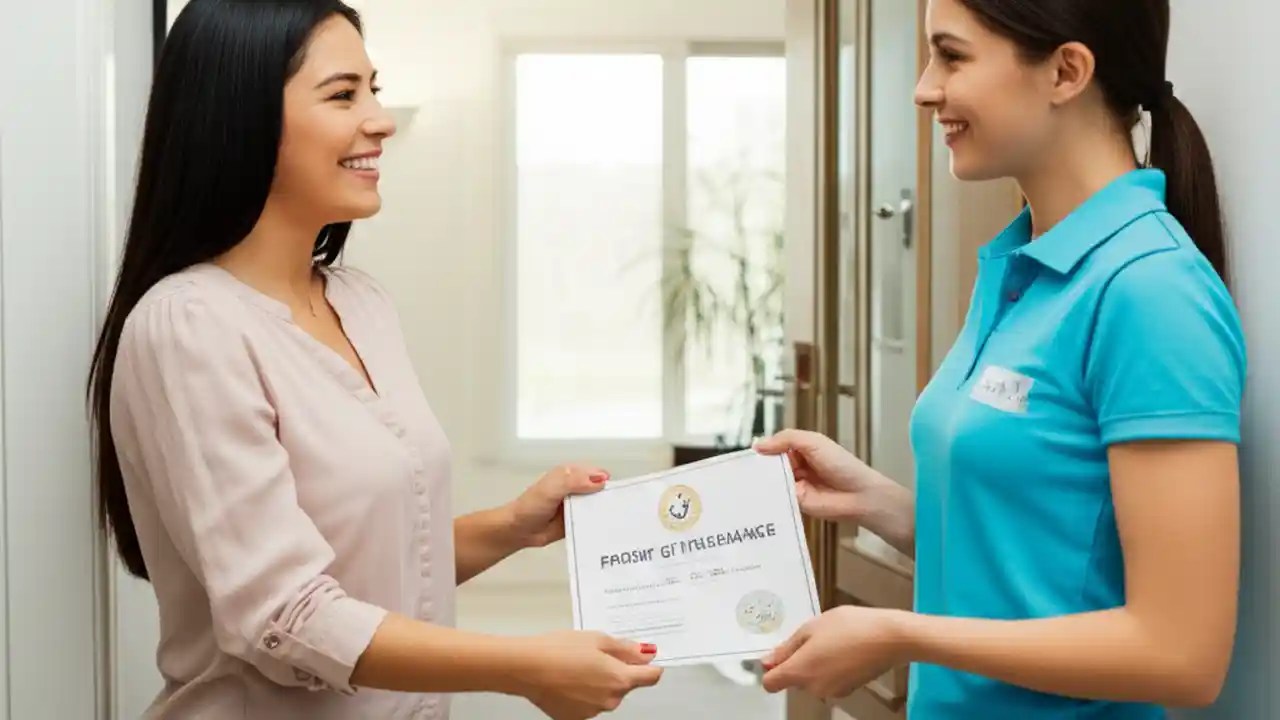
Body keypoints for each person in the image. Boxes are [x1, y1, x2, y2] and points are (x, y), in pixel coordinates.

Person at [87, 2, 660, 718]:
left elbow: (375, 567)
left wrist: (511, 526)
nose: (381, 119)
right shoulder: (189, 326)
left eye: (374, 89)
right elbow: (288, 614)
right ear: (240, 117)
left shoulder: (360, 302)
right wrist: (524, 666)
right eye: (343, 94)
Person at [753, 0, 1244, 718]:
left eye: (952, 56)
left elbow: (1181, 655)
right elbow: (1047, 552)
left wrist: (901, 632)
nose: (925, 87)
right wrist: (881, 504)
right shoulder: (1018, 266)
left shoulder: (1149, 291)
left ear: (1066, 71)